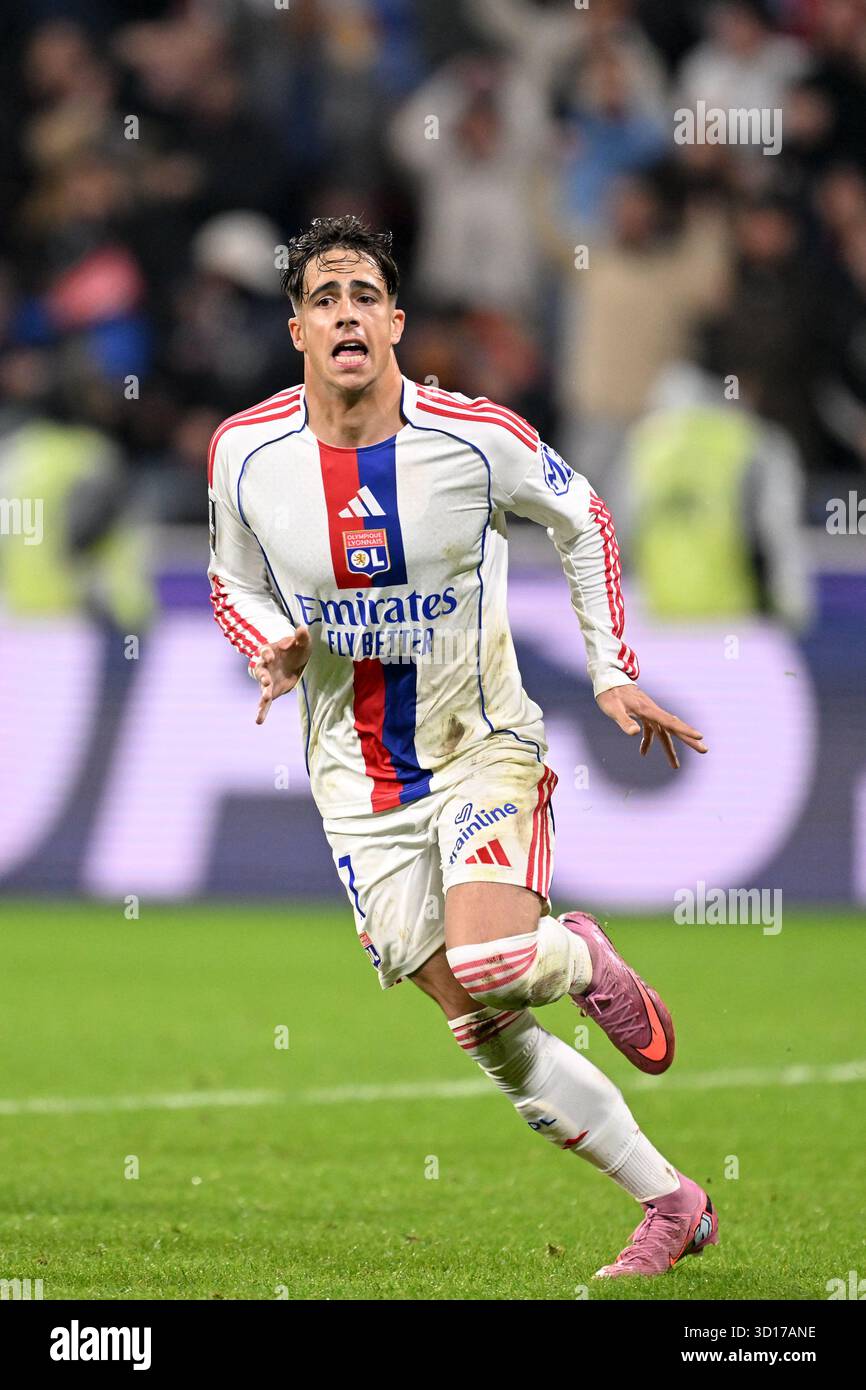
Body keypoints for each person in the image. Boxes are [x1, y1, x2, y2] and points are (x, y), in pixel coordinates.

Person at [206, 214, 717, 1280]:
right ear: (297, 329)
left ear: (394, 322)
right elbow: (231, 578)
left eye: (362, 294)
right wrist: (270, 641)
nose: (344, 311)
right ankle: (670, 1201)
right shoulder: (244, 452)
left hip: (478, 739)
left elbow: (582, 521)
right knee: (486, 1032)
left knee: (496, 961)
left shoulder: (473, 435)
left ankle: (577, 952)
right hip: (354, 781)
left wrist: (612, 671)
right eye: (321, 296)